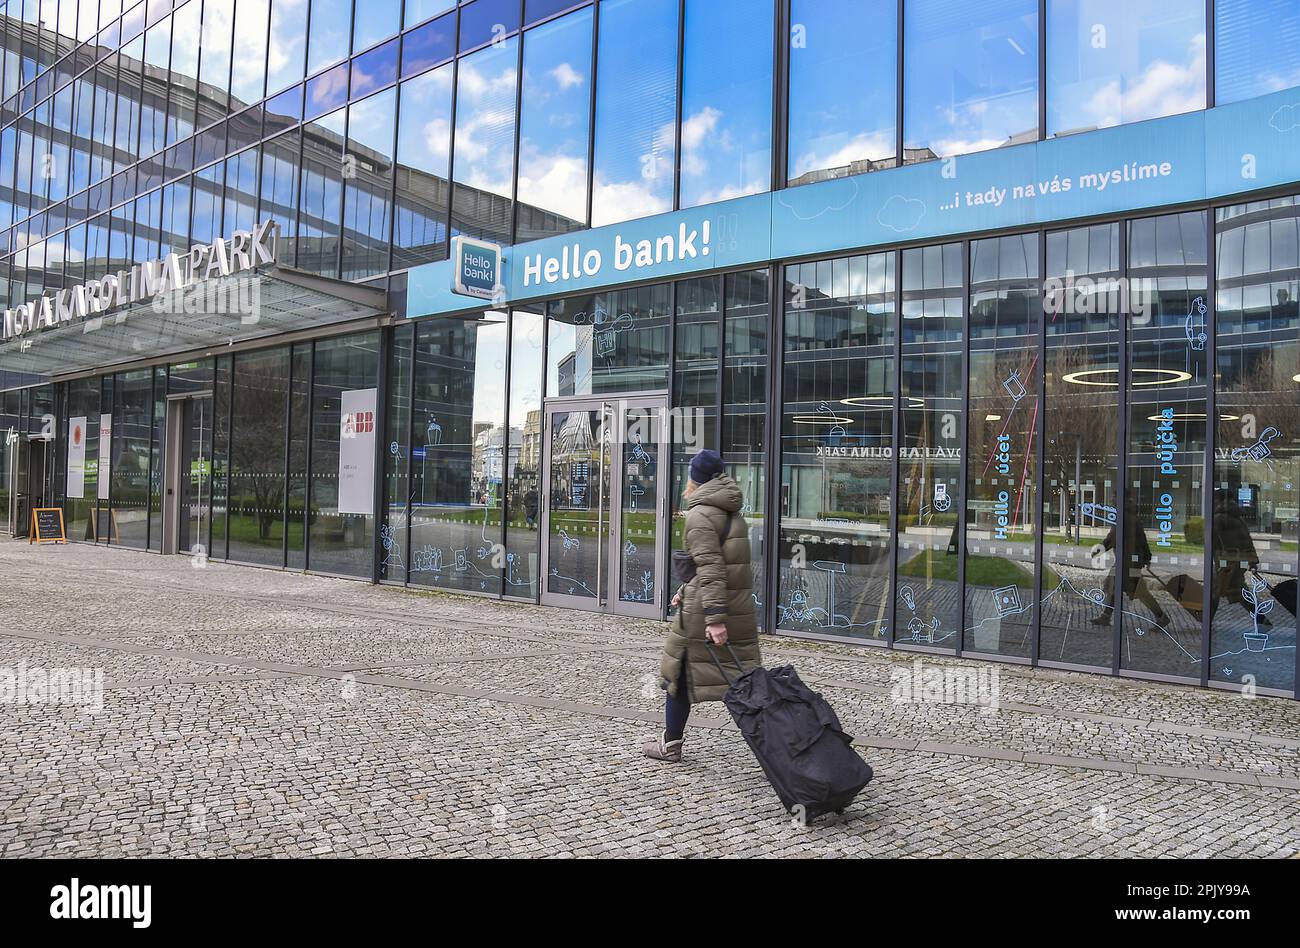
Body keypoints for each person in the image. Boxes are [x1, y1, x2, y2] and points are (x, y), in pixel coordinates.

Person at [644, 449, 761, 763]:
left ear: (695, 480)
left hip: (709, 614)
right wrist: (686, 589)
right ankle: (671, 744)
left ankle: (781, 747)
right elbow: (713, 565)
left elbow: (711, 567)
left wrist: (714, 619)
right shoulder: (731, 511)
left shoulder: (699, 514)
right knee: (731, 680)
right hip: (731, 607)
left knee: (688, 673)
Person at [1090, 498, 1170, 628]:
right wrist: (1147, 558)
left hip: (1126, 563)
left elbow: (1112, 537)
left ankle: (1161, 616)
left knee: (1138, 591)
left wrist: (1099, 550)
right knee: (1114, 587)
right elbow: (1142, 540)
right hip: (1129, 562)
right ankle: (1106, 616)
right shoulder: (1134, 519)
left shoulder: (1124, 519)